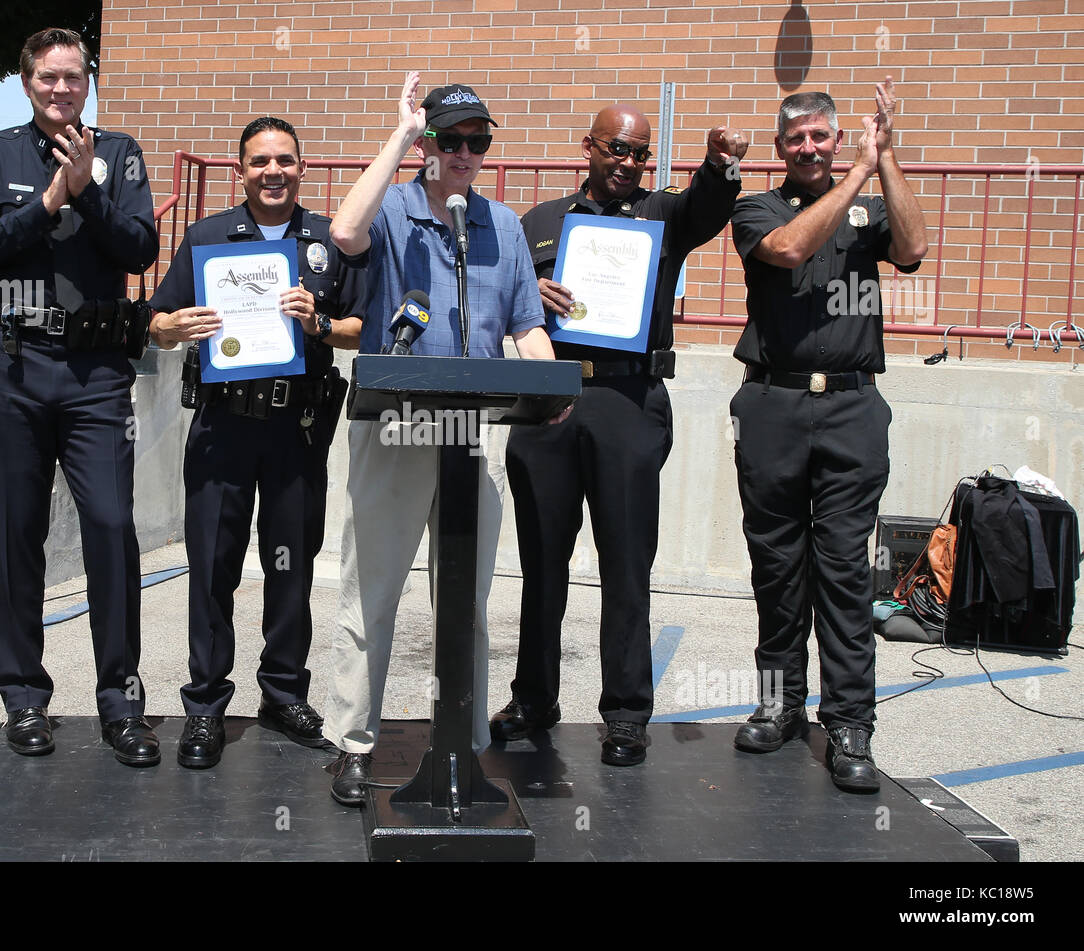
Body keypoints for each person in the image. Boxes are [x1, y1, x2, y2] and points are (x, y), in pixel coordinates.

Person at [322, 73, 558, 805]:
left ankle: (463, 740)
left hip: (473, 430)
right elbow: (343, 232)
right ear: (428, 144)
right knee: (374, 594)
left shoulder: (503, 227)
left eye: (475, 141)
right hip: (396, 424)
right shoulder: (393, 207)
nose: (462, 153)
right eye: (448, 139)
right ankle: (354, 742)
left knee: (467, 600)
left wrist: (553, 384)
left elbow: (525, 325)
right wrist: (399, 134)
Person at [491, 105, 749, 766]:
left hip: (629, 400)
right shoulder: (539, 222)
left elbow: (708, 207)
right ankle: (534, 696)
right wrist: (532, 294)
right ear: (590, 148)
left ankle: (626, 711)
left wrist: (721, 164)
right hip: (549, 399)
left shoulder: (664, 214)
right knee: (541, 563)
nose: (630, 163)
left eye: (640, 153)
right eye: (618, 149)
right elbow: (502, 306)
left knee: (626, 565)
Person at [0, 28, 160, 765]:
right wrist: (46, 201)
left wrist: (88, 192)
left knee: (110, 527)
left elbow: (140, 247)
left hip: (97, 370)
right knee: (15, 534)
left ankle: (120, 702)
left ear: (87, 80)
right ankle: (25, 699)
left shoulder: (122, 152)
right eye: (48, 77)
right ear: (26, 82)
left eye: (74, 76)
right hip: (10, 364)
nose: (62, 88)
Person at [728, 79, 927, 791]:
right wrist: (855, 179)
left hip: (851, 409)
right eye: (797, 139)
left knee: (843, 572)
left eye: (822, 136)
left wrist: (887, 160)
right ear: (782, 148)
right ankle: (780, 706)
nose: (809, 147)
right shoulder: (756, 207)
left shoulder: (871, 200)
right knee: (777, 567)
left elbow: (913, 247)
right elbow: (786, 249)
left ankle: (849, 724)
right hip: (773, 404)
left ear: (838, 139)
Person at [147, 117, 365, 768]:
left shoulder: (329, 241)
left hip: (296, 427)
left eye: (285, 160)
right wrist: (172, 326)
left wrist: (319, 322)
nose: (273, 171)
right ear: (241, 170)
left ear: (303, 167)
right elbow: (156, 320)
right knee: (213, 568)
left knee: (290, 563)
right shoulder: (208, 237)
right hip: (222, 426)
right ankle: (206, 705)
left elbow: (364, 327)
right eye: (260, 161)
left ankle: (283, 693)